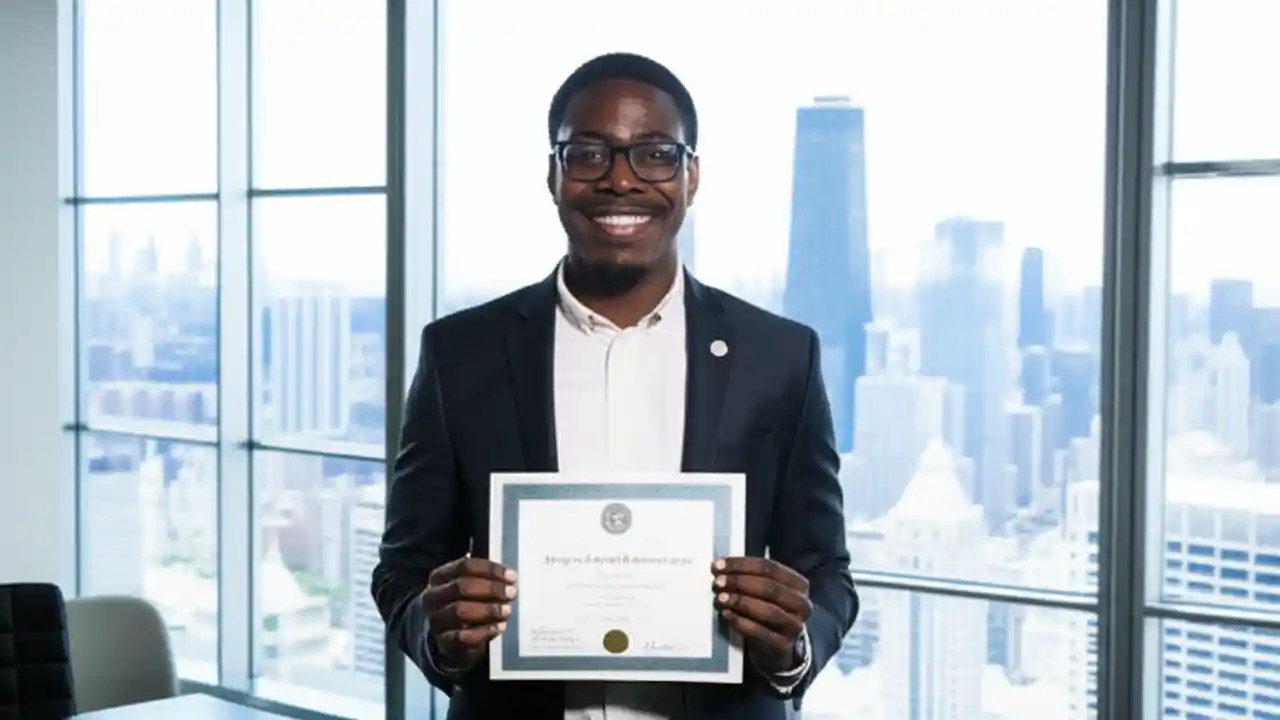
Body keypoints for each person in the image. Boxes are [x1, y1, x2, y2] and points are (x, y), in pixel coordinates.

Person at [372, 51, 857, 720]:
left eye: (654, 154)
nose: (621, 181)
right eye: (590, 154)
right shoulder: (461, 354)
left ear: (691, 175)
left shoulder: (778, 356)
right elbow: (403, 568)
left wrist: (793, 645)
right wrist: (440, 637)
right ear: (554, 174)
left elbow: (827, 571)